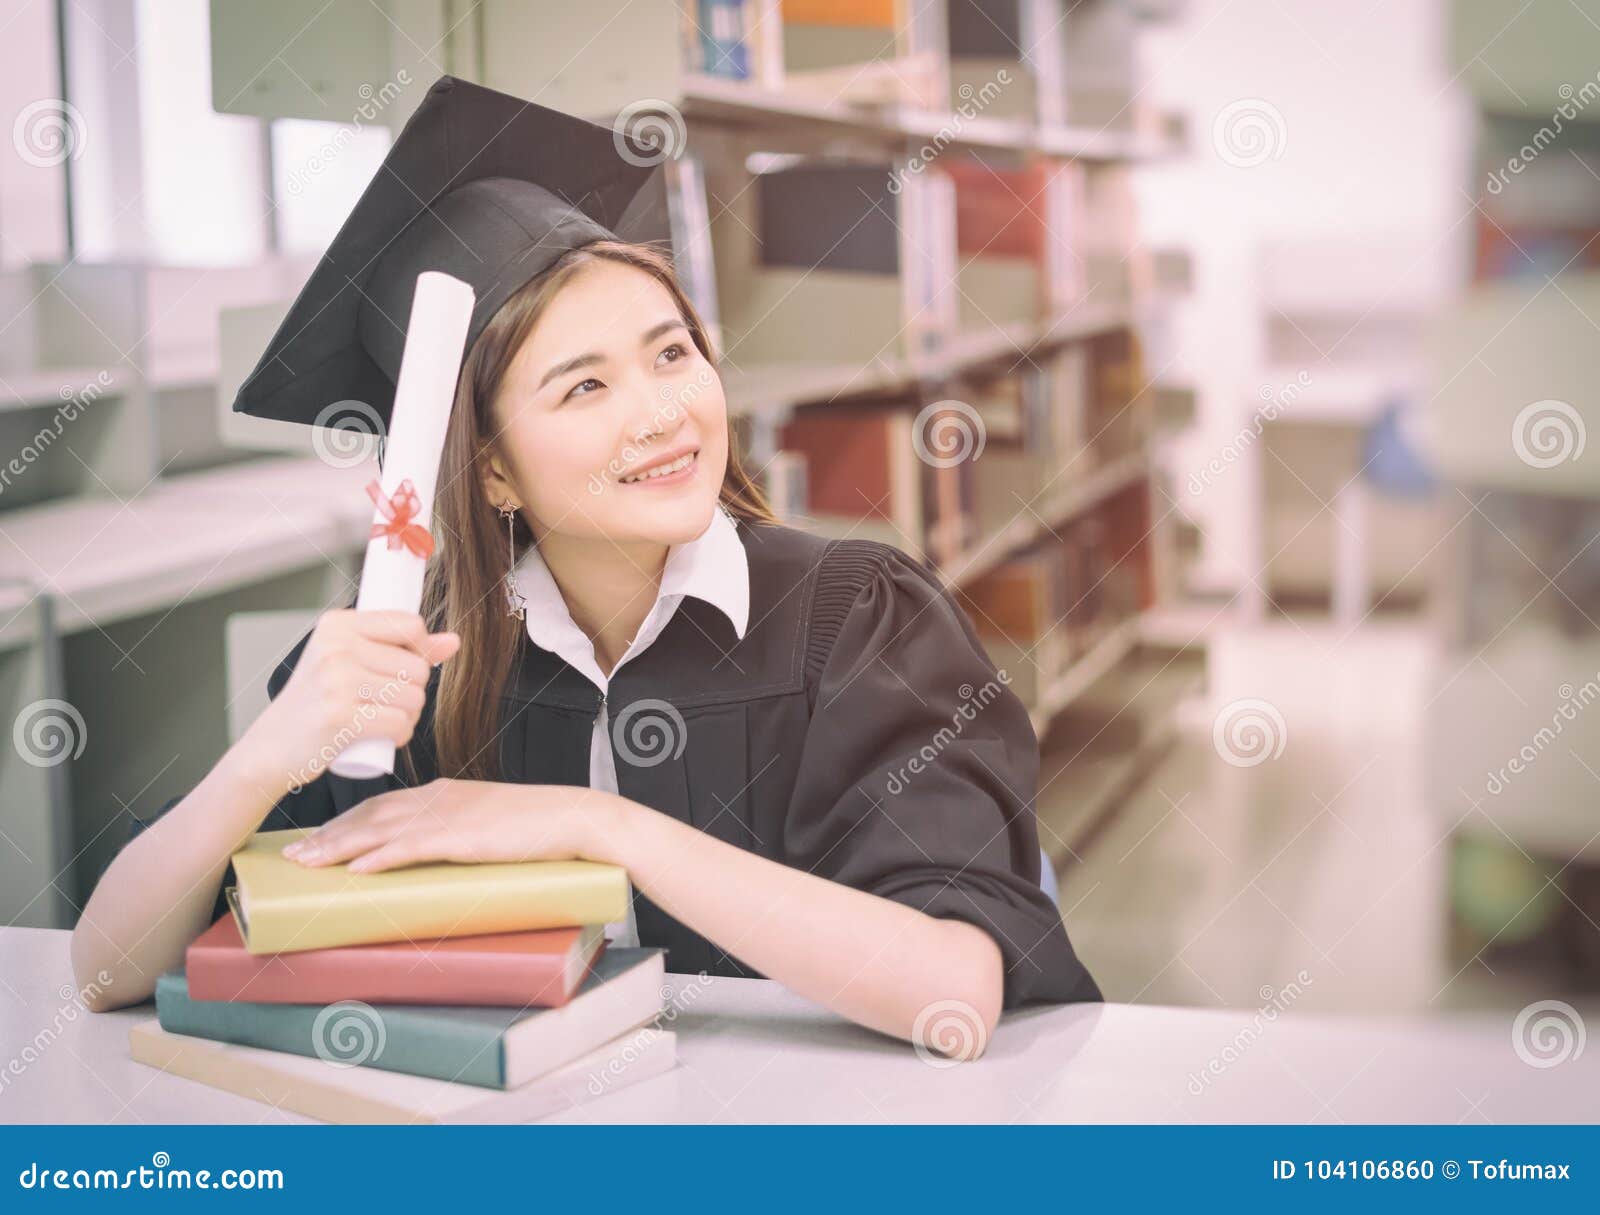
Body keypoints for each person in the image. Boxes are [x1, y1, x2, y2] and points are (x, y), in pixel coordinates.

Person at [71, 76, 1099, 1057]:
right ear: (491, 474)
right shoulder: (415, 670)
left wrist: (593, 825)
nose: (662, 414)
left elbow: (952, 991)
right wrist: (264, 758)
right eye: (582, 388)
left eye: (670, 353)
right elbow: (106, 968)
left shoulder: (858, 621)